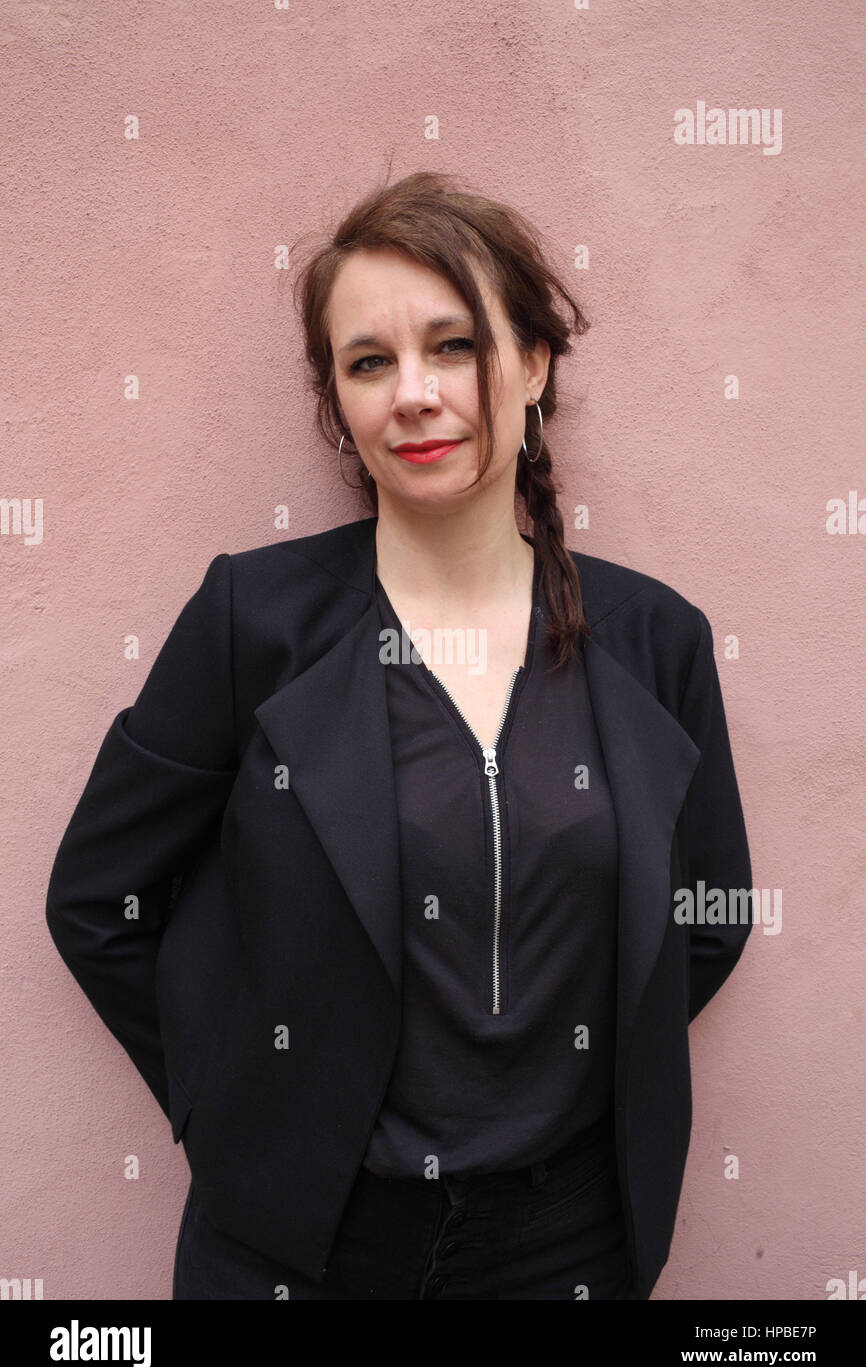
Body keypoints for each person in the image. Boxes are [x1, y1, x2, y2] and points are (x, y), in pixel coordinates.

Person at [45, 170, 753, 1301]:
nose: (412, 394)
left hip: (568, 1246)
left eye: (453, 346)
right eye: (367, 361)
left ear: (532, 364)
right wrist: (239, 1101)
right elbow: (97, 897)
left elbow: (703, 920)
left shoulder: (655, 640)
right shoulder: (251, 622)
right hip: (299, 1249)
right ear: (338, 400)